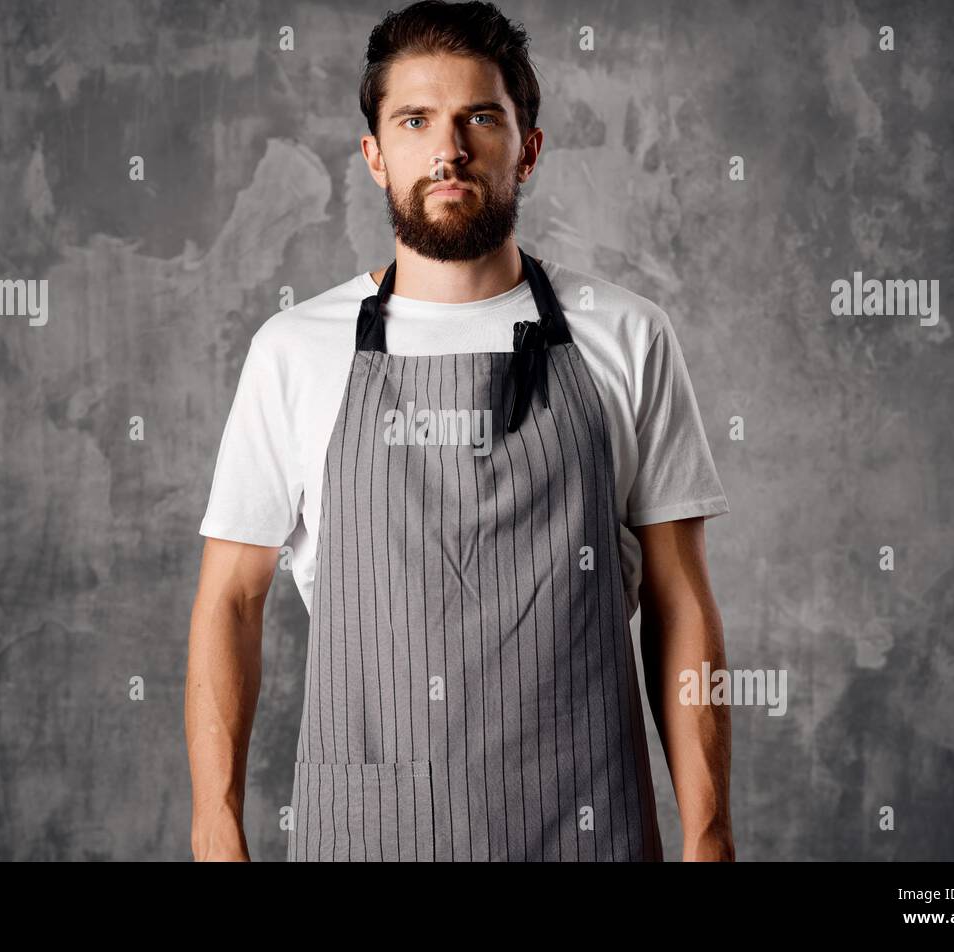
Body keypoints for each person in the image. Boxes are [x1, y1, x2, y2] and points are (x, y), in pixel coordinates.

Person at [187, 0, 734, 862]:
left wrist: (708, 836)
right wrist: (215, 829)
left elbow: (680, 599)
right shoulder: (295, 350)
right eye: (415, 121)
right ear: (374, 156)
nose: (449, 149)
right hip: (369, 827)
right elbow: (230, 599)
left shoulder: (628, 335)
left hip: (587, 826)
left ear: (530, 147)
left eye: (481, 118)